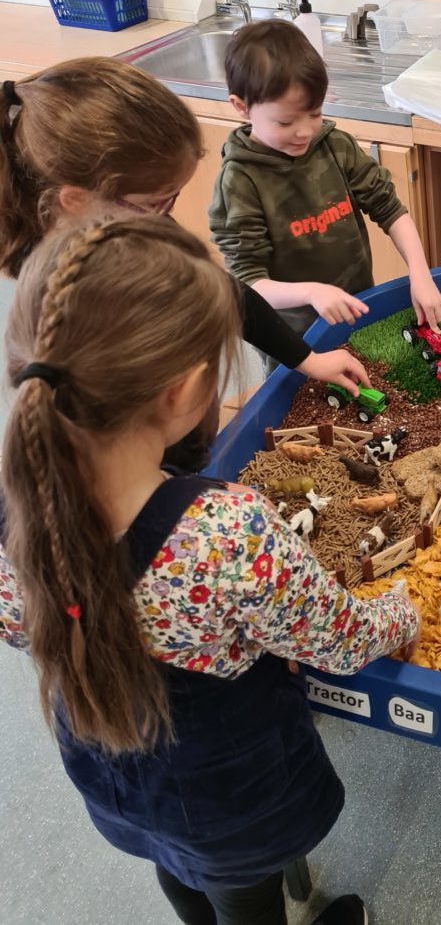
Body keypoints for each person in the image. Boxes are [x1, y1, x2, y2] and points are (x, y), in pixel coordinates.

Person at [0, 215, 419, 925]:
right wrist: (401, 611)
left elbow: (21, 625)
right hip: (228, 794)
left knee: (178, 871)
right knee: (242, 899)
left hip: (111, 773)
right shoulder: (224, 530)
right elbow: (341, 641)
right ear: (183, 392)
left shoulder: (20, 503)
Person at [0, 62, 369, 438]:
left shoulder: (126, 220)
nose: (168, 214)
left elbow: (224, 290)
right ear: (76, 201)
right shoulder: (47, 303)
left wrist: (308, 359)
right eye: (158, 202)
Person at [210, 20, 441, 362]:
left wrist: (420, 272)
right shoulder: (240, 181)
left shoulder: (335, 146)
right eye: (285, 122)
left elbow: (390, 209)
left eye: (315, 113)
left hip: (359, 312)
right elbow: (249, 284)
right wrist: (312, 293)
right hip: (294, 342)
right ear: (242, 107)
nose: (304, 132)